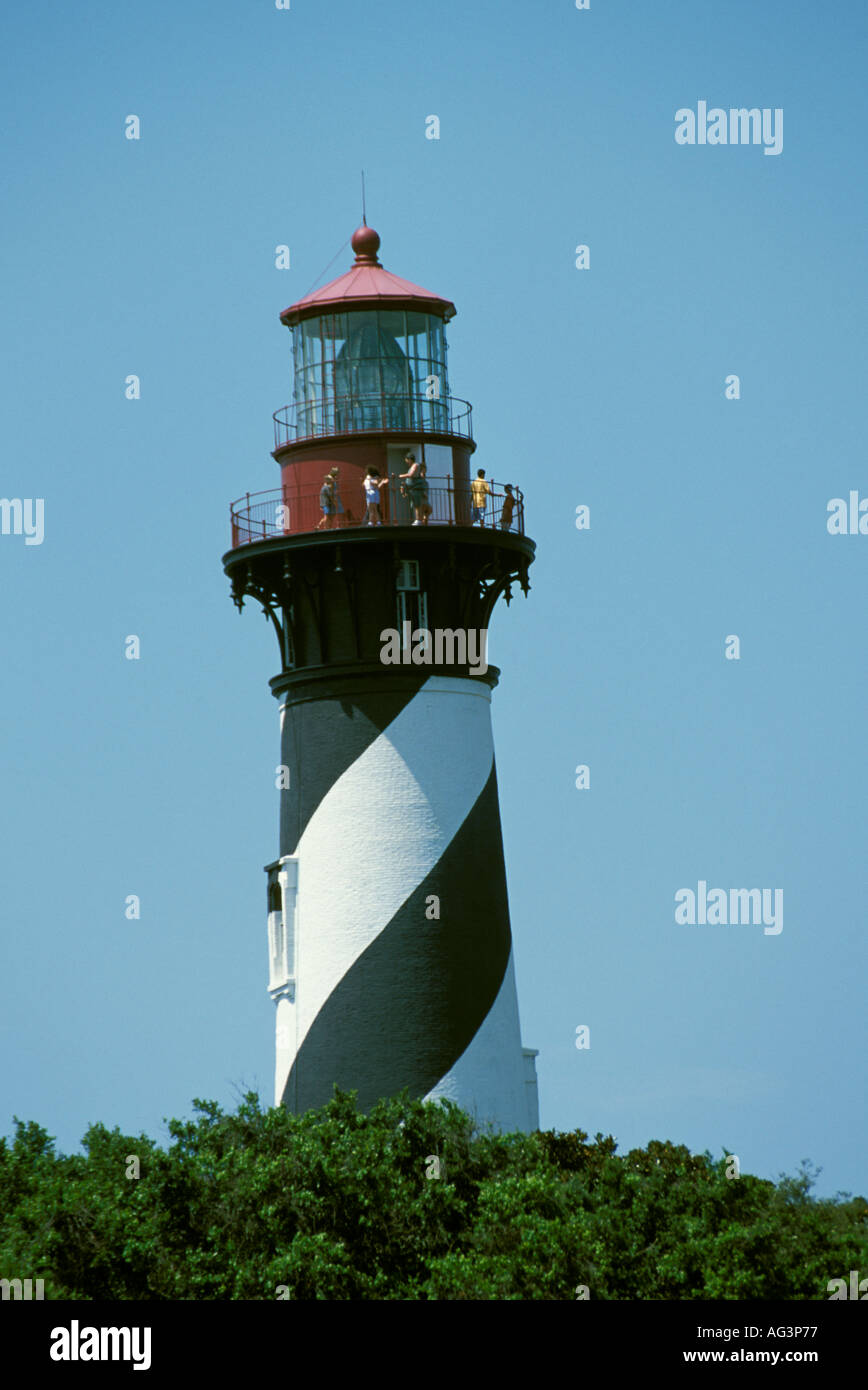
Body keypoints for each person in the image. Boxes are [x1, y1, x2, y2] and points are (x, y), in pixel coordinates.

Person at [399, 453, 431, 525]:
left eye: (407, 460)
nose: (406, 462)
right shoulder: (414, 466)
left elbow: (411, 475)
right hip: (414, 489)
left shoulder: (415, 465)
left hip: (417, 489)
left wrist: (400, 476)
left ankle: (418, 520)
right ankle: (420, 520)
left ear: (409, 459)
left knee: (418, 505)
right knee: (417, 504)